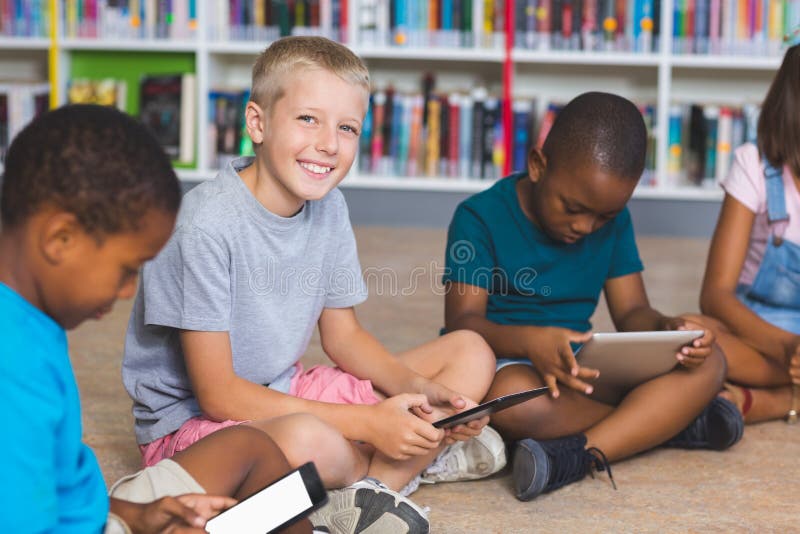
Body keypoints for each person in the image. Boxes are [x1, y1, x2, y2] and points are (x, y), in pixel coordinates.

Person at [122, 36, 501, 533]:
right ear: (257, 123)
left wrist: (426, 394)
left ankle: (369, 488)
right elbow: (218, 396)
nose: (329, 144)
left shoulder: (330, 207)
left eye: (347, 127)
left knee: (471, 353)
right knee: (312, 438)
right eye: (308, 119)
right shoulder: (204, 226)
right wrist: (370, 424)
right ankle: (397, 468)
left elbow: (343, 336)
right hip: (197, 427)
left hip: (285, 387)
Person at [0, 104, 312, 533]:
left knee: (249, 446)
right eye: (128, 269)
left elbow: (61, 488)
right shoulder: (13, 370)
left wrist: (138, 516)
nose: (129, 291)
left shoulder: (28, 316)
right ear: (60, 239)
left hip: (95, 517)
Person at [442, 91, 744, 503]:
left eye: (604, 216)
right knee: (510, 400)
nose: (585, 226)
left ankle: (575, 455)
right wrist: (533, 341)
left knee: (711, 364)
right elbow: (464, 323)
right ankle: (661, 424)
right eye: (573, 207)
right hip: (507, 362)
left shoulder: (613, 221)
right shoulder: (478, 217)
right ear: (537, 166)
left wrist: (666, 328)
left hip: (577, 367)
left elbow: (633, 311)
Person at [690, 36, 800, 424]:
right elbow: (715, 295)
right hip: (758, 332)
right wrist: (789, 348)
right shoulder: (753, 163)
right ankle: (784, 389)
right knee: (690, 333)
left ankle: (769, 400)